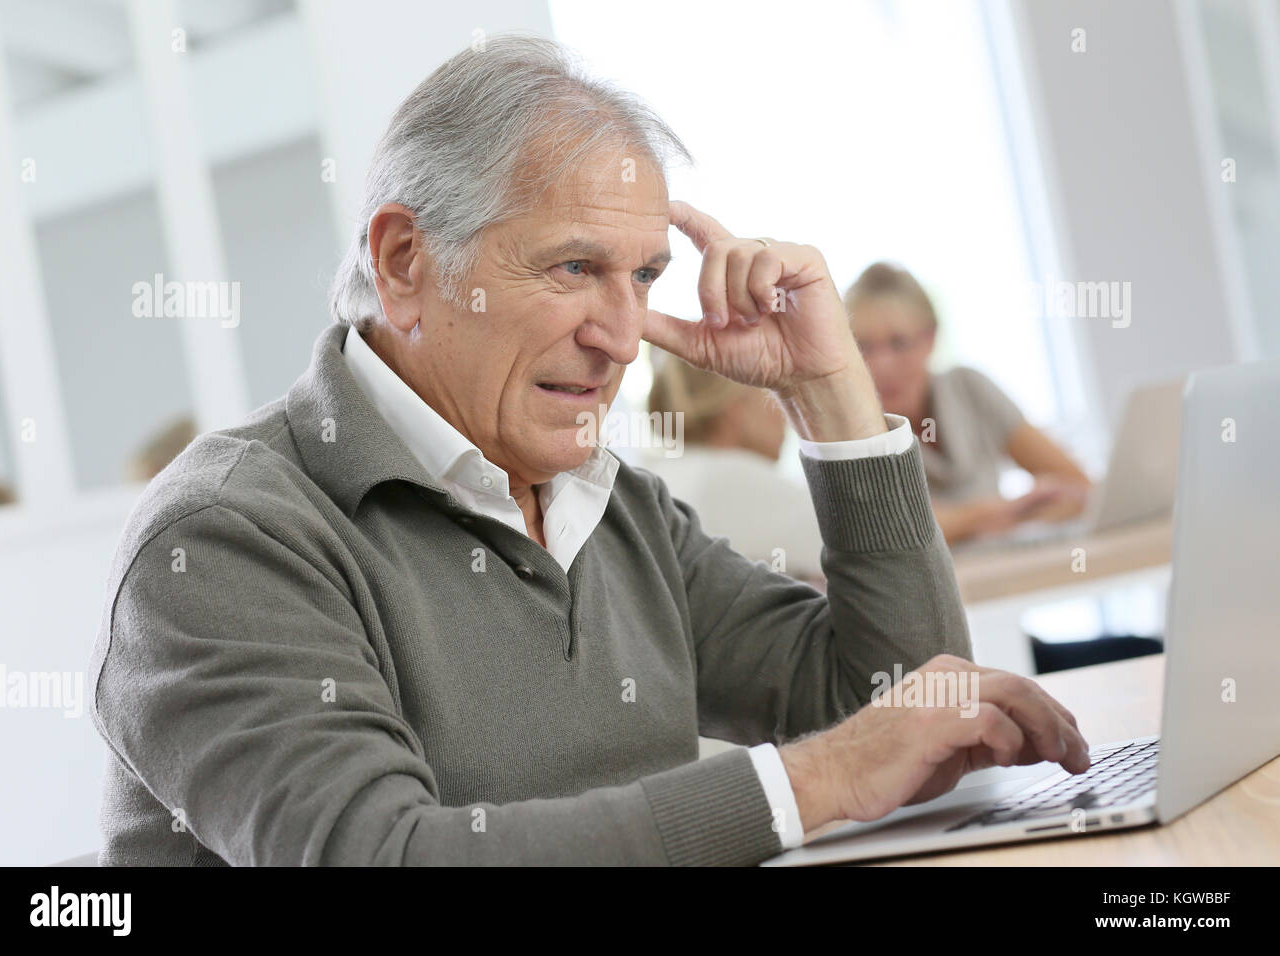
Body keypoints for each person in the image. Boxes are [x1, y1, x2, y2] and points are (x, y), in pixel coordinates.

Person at [89, 35, 1088, 866]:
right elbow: (383, 855)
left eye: (644, 275)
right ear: (404, 263)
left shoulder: (614, 508)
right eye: (574, 267)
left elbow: (902, 708)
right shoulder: (222, 538)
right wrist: (815, 777)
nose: (621, 334)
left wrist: (829, 392)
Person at [844, 262, 1092, 545]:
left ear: (930, 338)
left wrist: (1031, 508)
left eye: (899, 343)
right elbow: (886, 531)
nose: (881, 364)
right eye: (863, 347)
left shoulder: (968, 388)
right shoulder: (852, 430)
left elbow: (1077, 484)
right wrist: (990, 514)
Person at [642, 351, 824, 582]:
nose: (787, 418)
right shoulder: (736, 480)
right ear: (735, 406)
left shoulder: (658, 474)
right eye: (772, 395)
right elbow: (870, 547)